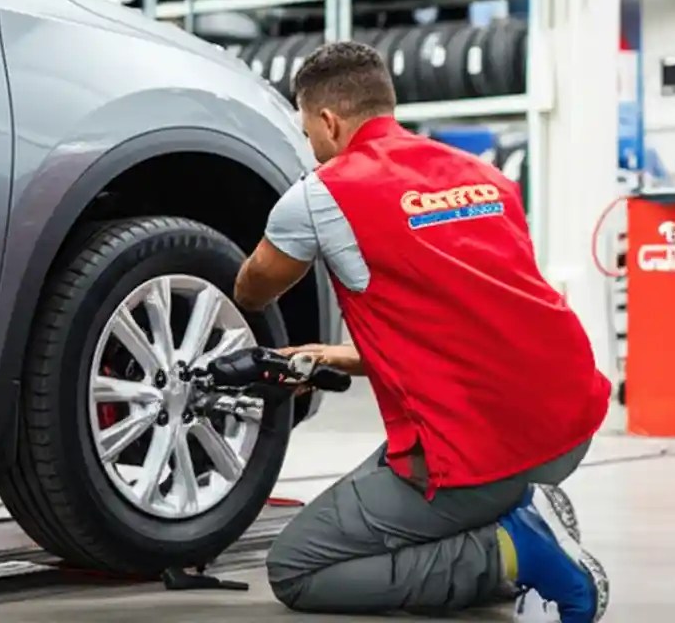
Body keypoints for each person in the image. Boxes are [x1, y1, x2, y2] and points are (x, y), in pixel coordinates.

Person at [233, 41, 612, 622]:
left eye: (309, 134)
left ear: (328, 121)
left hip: (476, 447)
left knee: (298, 567)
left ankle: (511, 552)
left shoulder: (323, 193)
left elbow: (252, 288)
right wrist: (339, 355)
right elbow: (469, 321)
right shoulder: (481, 177)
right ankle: (519, 515)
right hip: (567, 422)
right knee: (388, 503)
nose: (312, 149)